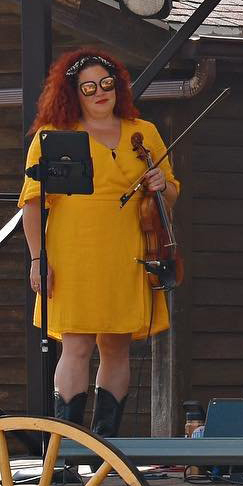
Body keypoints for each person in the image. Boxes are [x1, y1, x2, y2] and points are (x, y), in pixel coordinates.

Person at [20, 49, 179, 435]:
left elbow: (170, 195)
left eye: (106, 84)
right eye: (88, 87)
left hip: (127, 253)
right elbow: (33, 204)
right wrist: (38, 259)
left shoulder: (144, 132)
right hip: (73, 254)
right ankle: (67, 445)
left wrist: (162, 185)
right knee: (76, 345)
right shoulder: (52, 137)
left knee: (116, 346)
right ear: (73, 92)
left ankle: (104, 444)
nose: (100, 92)